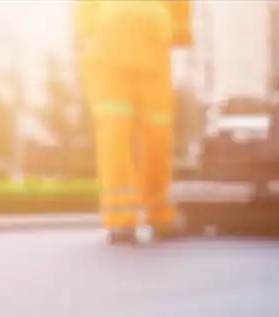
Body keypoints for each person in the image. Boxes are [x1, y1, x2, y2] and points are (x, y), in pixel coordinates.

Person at [73, 0, 191, 245]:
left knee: (158, 135)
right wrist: (87, 28)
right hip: (108, 54)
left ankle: (159, 213)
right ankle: (121, 219)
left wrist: (176, 27)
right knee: (114, 136)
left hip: (152, 50)